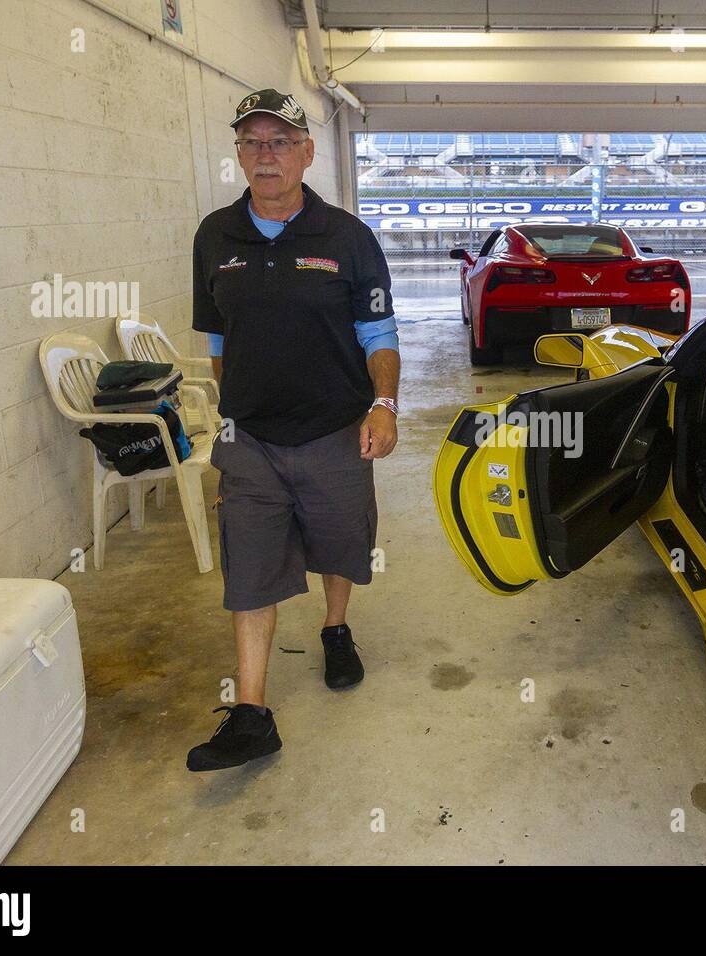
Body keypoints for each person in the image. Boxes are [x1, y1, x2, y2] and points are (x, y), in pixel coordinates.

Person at [185, 89, 400, 772]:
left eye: (280, 142)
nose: (266, 155)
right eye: (253, 142)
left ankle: (335, 629)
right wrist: (237, 404)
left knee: (340, 545)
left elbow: (380, 332)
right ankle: (252, 715)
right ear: (239, 153)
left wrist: (384, 405)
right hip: (248, 439)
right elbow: (217, 337)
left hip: (335, 430)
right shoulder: (215, 236)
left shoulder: (348, 238)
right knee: (249, 567)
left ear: (307, 153)